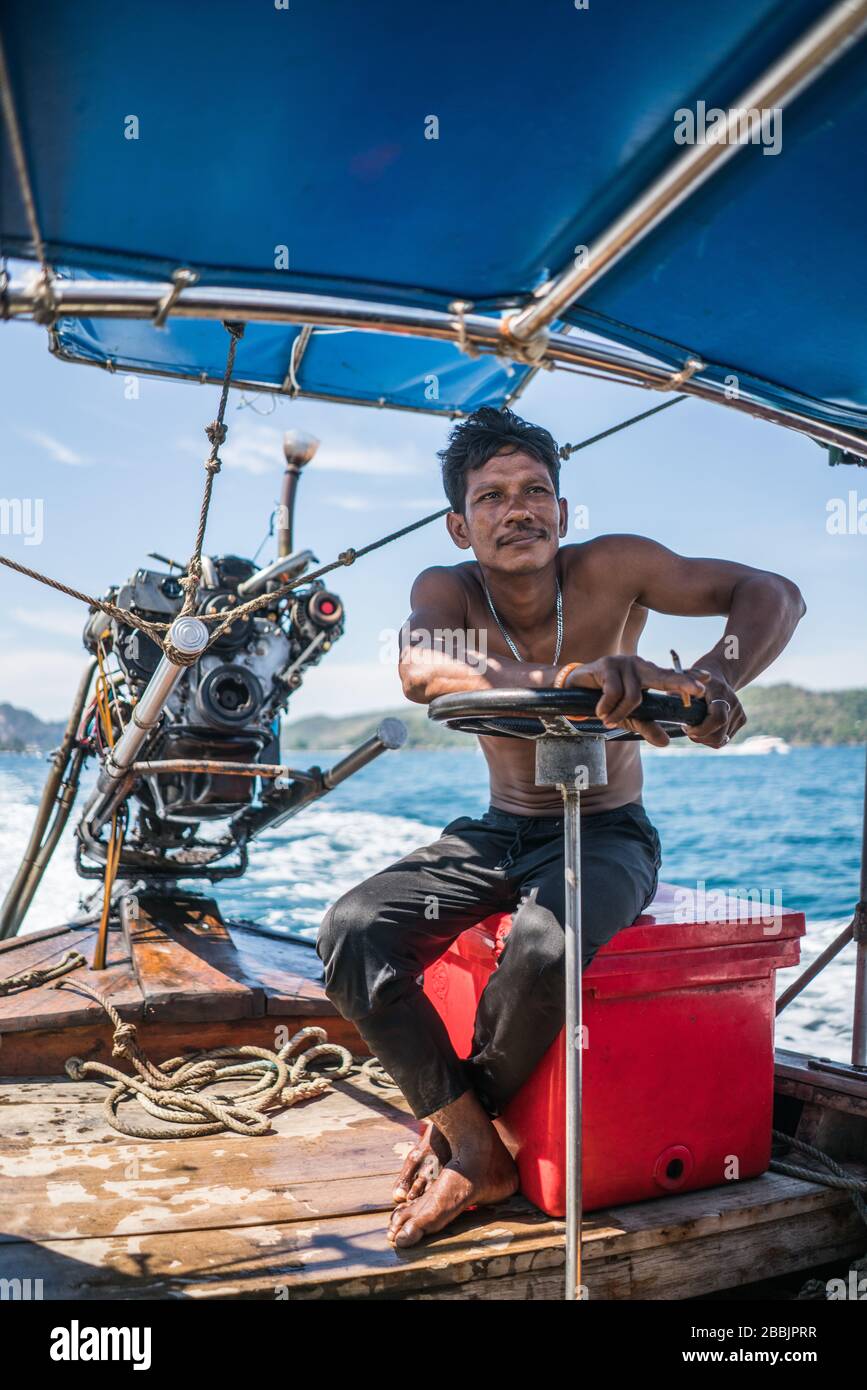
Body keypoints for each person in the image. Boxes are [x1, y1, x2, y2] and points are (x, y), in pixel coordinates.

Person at [316, 406, 806, 1248]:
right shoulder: (448, 589)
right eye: (494, 496)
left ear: (563, 512)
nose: (519, 510)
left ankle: (461, 1134)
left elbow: (775, 594)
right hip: (499, 830)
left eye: (537, 491)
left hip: (610, 831)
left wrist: (711, 682)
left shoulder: (615, 565)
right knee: (352, 930)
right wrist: (574, 679)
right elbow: (420, 664)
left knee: (543, 944)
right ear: (459, 524)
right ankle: (475, 1145)